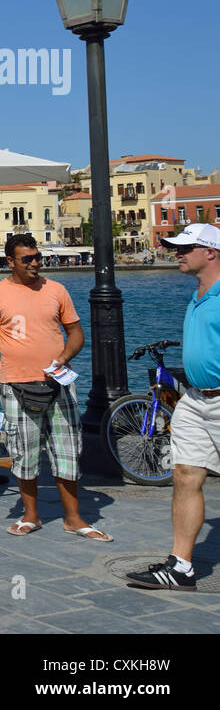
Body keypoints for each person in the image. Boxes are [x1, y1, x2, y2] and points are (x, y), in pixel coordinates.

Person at [0, 234, 107, 539]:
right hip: (15, 385)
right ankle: (31, 515)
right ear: (10, 262)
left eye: (38, 257)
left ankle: (74, 518)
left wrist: (63, 358)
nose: (35, 263)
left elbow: (76, 333)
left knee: (67, 450)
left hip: (59, 386)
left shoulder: (57, 290)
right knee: (24, 452)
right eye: (27, 259)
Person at [128, 224, 220, 590]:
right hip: (196, 399)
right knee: (184, 474)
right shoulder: (199, 295)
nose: (176, 253)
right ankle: (181, 567)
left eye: (185, 248)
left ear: (211, 252)